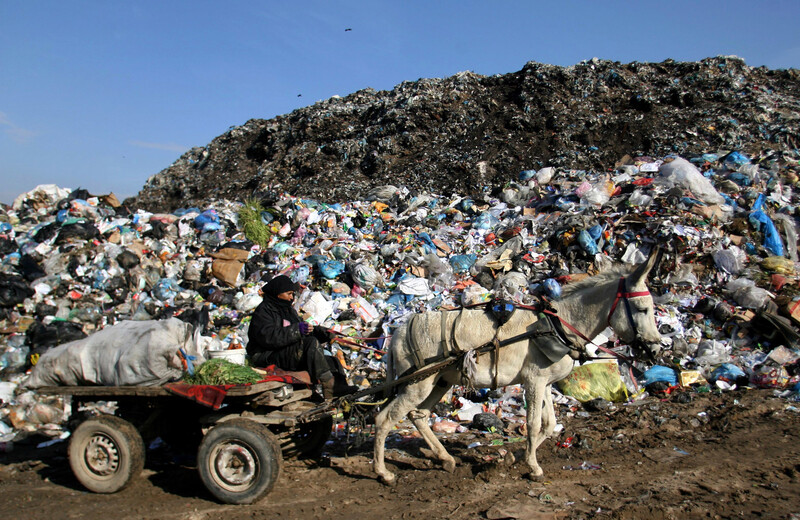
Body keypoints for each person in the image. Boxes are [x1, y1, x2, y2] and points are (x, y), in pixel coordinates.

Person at [247, 275, 351, 399]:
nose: (292, 297)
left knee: (331, 360)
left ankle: (340, 387)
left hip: (285, 351)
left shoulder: (288, 310)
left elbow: (306, 329)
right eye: (289, 294)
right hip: (267, 355)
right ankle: (329, 387)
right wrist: (297, 330)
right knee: (310, 344)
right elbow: (268, 337)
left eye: (292, 294)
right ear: (278, 293)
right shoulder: (263, 311)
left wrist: (327, 334)